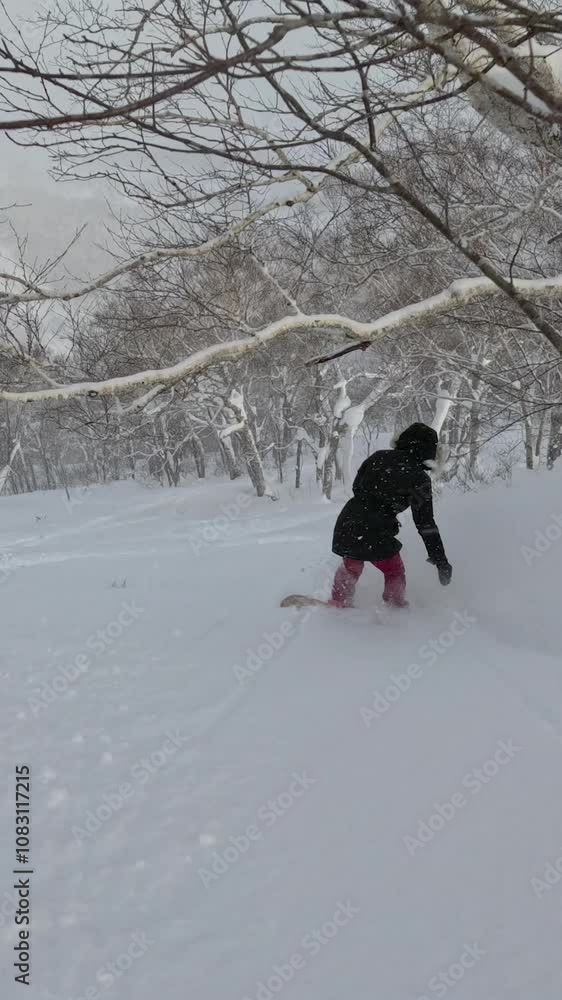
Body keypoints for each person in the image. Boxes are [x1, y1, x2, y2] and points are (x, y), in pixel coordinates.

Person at [330, 422, 452, 608]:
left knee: (352, 564)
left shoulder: (378, 457)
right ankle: (394, 606)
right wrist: (440, 560)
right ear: (428, 451)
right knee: (394, 570)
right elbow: (425, 524)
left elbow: (357, 487)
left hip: (349, 522)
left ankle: (339, 601)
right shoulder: (420, 478)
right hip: (377, 532)